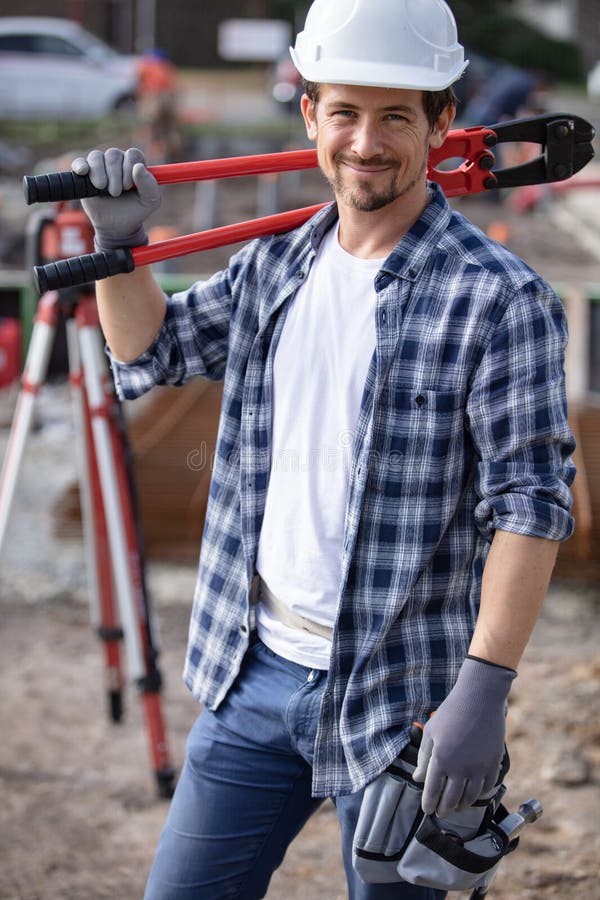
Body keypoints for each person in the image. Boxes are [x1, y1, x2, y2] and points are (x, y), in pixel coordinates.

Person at [71, 1, 575, 897]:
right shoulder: (275, 264)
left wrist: (485, 689)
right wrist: (120, 250)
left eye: (395, 117)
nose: (366, 142)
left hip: (404, 704)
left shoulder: (501, 300)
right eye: (344, 112)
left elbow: (530, 507)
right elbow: (152, 352)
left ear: (442, 123)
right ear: (310, 115)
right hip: (251, 673)